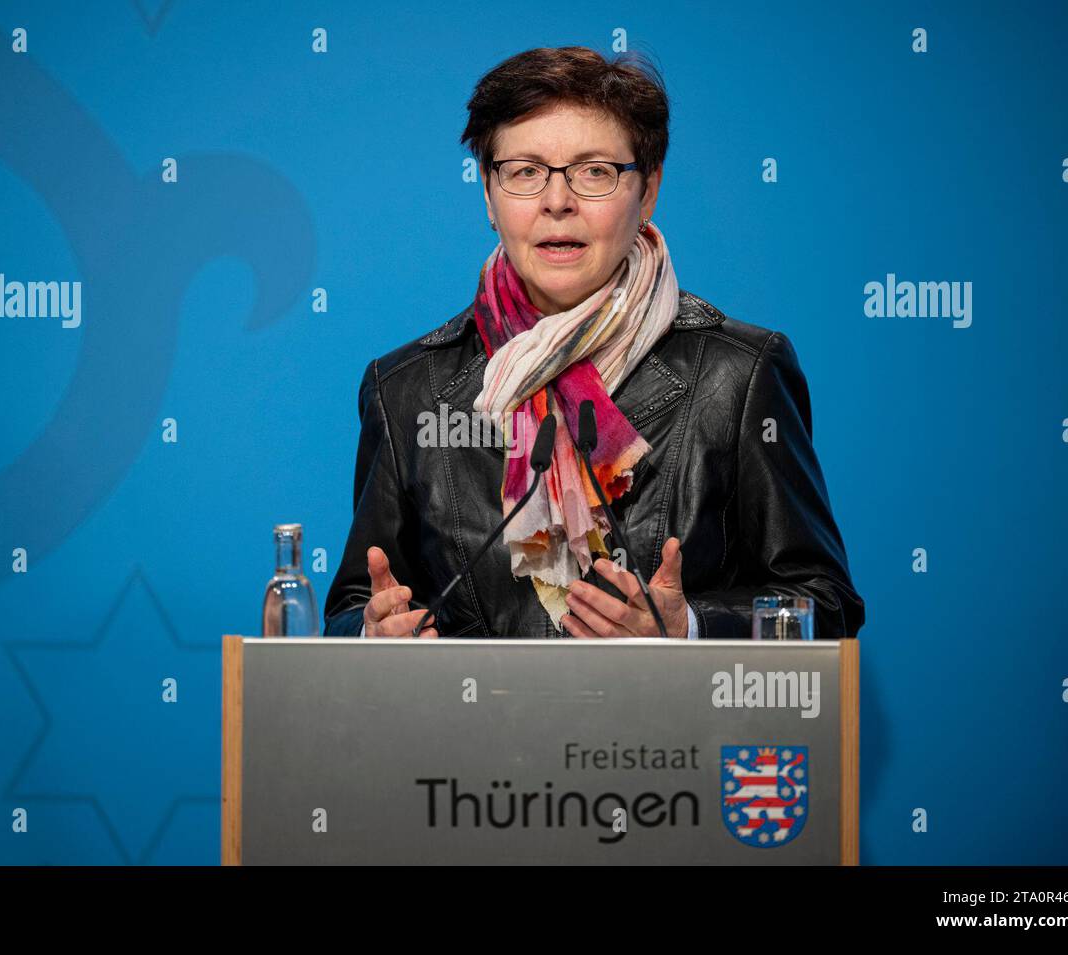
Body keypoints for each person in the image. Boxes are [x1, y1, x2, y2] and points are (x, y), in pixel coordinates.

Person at [323, 46, 865, 640]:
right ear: (488, 194)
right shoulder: (407, 390)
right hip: (476, 730)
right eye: (525, 171)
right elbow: (356, 603)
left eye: (594, 171)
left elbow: (824, 604)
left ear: (648, 190)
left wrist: (686, 628)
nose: (558, 202)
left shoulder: (739, 376)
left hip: (665, 732)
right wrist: (370, 635)